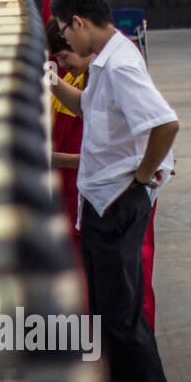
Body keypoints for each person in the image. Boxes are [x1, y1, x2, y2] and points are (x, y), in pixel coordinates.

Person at [49, 0, 187, 382]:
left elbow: (166, 123)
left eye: (66, 32)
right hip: (101, 201)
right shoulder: (106, 61)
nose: (66, 42)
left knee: (123, 316)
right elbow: (85, 109)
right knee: (108, 312)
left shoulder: (122, 65)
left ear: (79, 22)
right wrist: (47, 79)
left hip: (118, 202)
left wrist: (143, 177)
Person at [47, 17, 157, 330]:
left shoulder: (115, 74)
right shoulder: (78, 78)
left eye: (65, 54)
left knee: (129, 280)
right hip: (87, 196)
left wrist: (58, 160)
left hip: (117, 194)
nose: (61, 63)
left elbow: (118, 154)